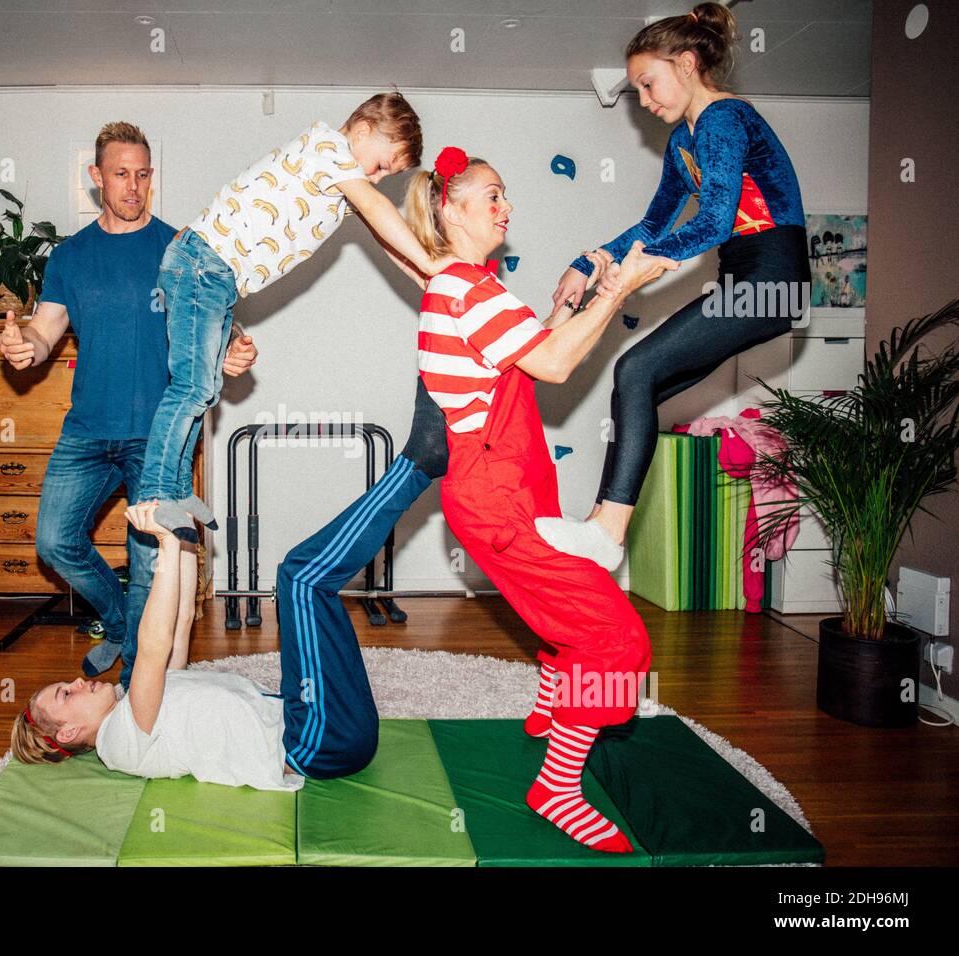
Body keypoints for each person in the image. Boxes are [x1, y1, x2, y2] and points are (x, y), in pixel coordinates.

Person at [403, 146, 677, 851]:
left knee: (568, 612)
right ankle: (557, 785)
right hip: (499, 500)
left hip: (508, 489)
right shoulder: (469, 288)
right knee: (617, 640)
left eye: (506, 196)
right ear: (451, 209)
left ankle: (554, 703)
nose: (507, 208)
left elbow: (527, 357)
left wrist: (563, 307)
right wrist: (624, 289)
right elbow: (552, 366)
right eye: (492, 196)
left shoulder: (465, 288)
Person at [540, 2, 810, 571]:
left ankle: (606, 531)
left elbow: (713, 220)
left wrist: (642, 269)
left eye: (647, 83)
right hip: (747, 276)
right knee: (642, 385)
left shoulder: (722, 119)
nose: (643, 100)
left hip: (773, 276)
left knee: (633, 369)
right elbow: (653, 224)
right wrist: (588, 264)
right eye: (636, 89)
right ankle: (603, 529)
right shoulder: (681, 142)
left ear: (687, 64)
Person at [0, 121, 257, 685]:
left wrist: (229, 356)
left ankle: (134, 686)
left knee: (148, 564)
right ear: (97, 178)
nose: (133, 186)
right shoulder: (70, 257)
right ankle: (116, 623)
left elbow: (210, 328)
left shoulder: (180, 250)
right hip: (88, 430)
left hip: (157, 438)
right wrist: (25, 345)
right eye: (120, 174)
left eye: (142, 174)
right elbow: (46, 331)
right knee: (54, 541)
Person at [134, 90, 457, 541]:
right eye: (382, 165)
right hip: (200, 264)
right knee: (190, 386)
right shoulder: (326, 147)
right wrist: (435, 263)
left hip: (218, 278)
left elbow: (384, 238)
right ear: (362, 131)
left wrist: (427, 281)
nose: (379, 179)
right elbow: (379, 210)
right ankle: (155, 491)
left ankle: (175, 486)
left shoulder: (343, 183)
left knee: (205, 392)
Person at [11, 499, 381, 788]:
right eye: (65, 695)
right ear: (68, 733)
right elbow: (152, 648)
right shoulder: (118, 742)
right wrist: (165, 544)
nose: (76, 682)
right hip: (316, 745)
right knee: (300, 579)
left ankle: (417, 466)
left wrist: (185, 533)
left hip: (315, 720)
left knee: (303, 583)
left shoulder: (142, 705)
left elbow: (181, 619)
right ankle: (416, 466)